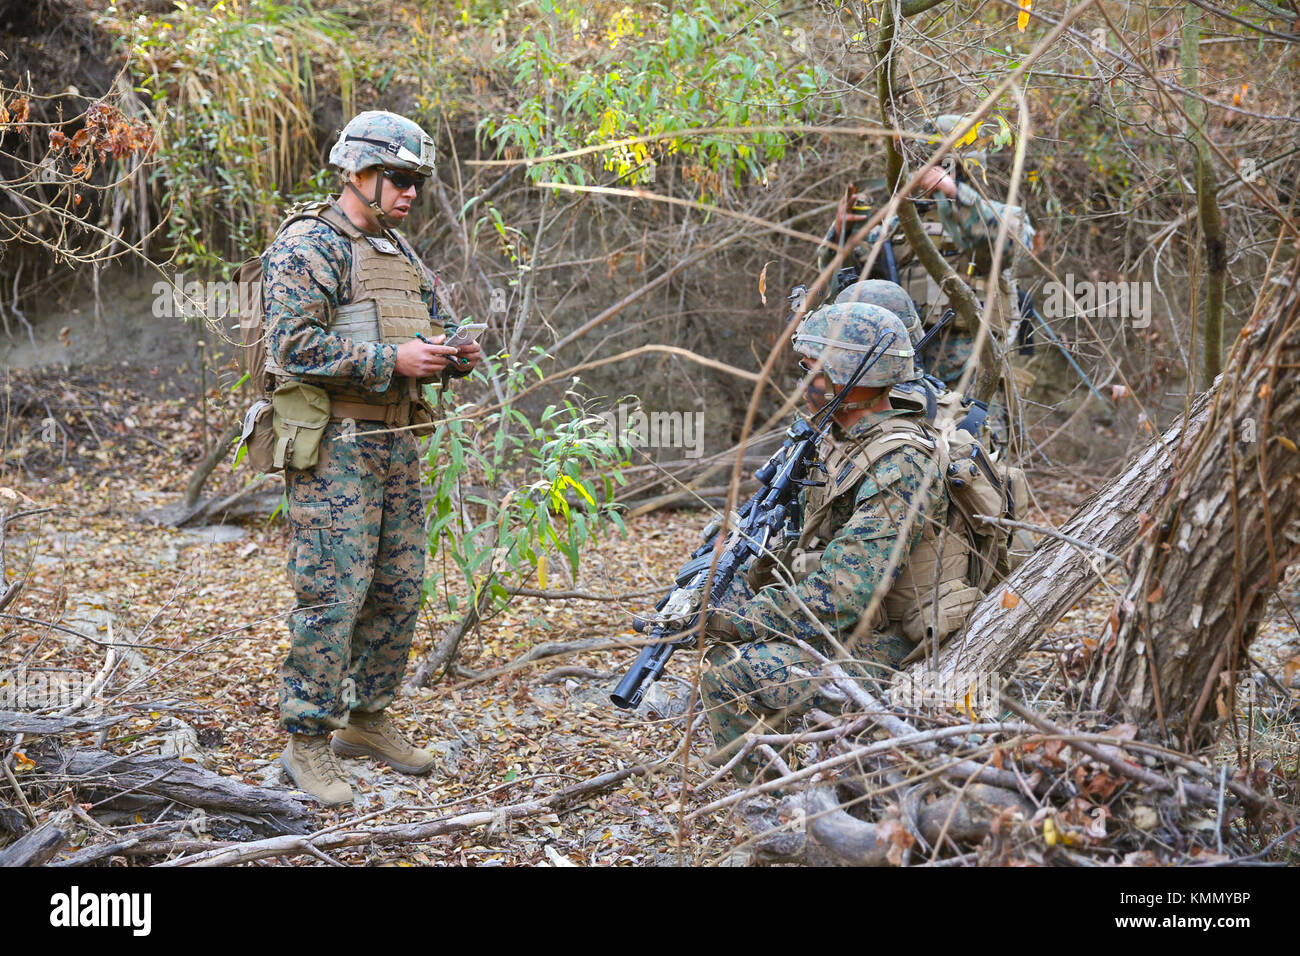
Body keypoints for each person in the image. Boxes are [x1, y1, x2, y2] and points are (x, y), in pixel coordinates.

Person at [261, 110, 481, 805]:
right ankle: (306, 739)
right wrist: (393, 358)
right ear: (357, 171)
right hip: (336, 450)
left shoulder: (399, 253)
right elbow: (292, 346)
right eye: (400, 178)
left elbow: (433, 327)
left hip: (396, 445)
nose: (411, 193)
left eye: (417, 181)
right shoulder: (308, 246)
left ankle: (368, 719)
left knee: (398, 587)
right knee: (331, 593)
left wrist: (451, 355)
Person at [700, 301, 981, 782]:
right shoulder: (842, 434)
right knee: (727, 633)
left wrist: (732, 621)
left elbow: (843, 596)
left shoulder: (901, 462)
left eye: (812, 368)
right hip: (859, 622)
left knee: (731, 675)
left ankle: (776, 816)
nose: (803, 380)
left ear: (851, 374)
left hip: (899, 641)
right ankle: (798, 777)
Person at [817, 115, 1036, 396]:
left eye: (938, 163)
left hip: (976, 369)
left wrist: (956, 194)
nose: (926, 171)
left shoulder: (1000, 216)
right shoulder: (898, 225)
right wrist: (841, 236)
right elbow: (843, 288)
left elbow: (1004, 248)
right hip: (908, 366)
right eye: (924, 162)